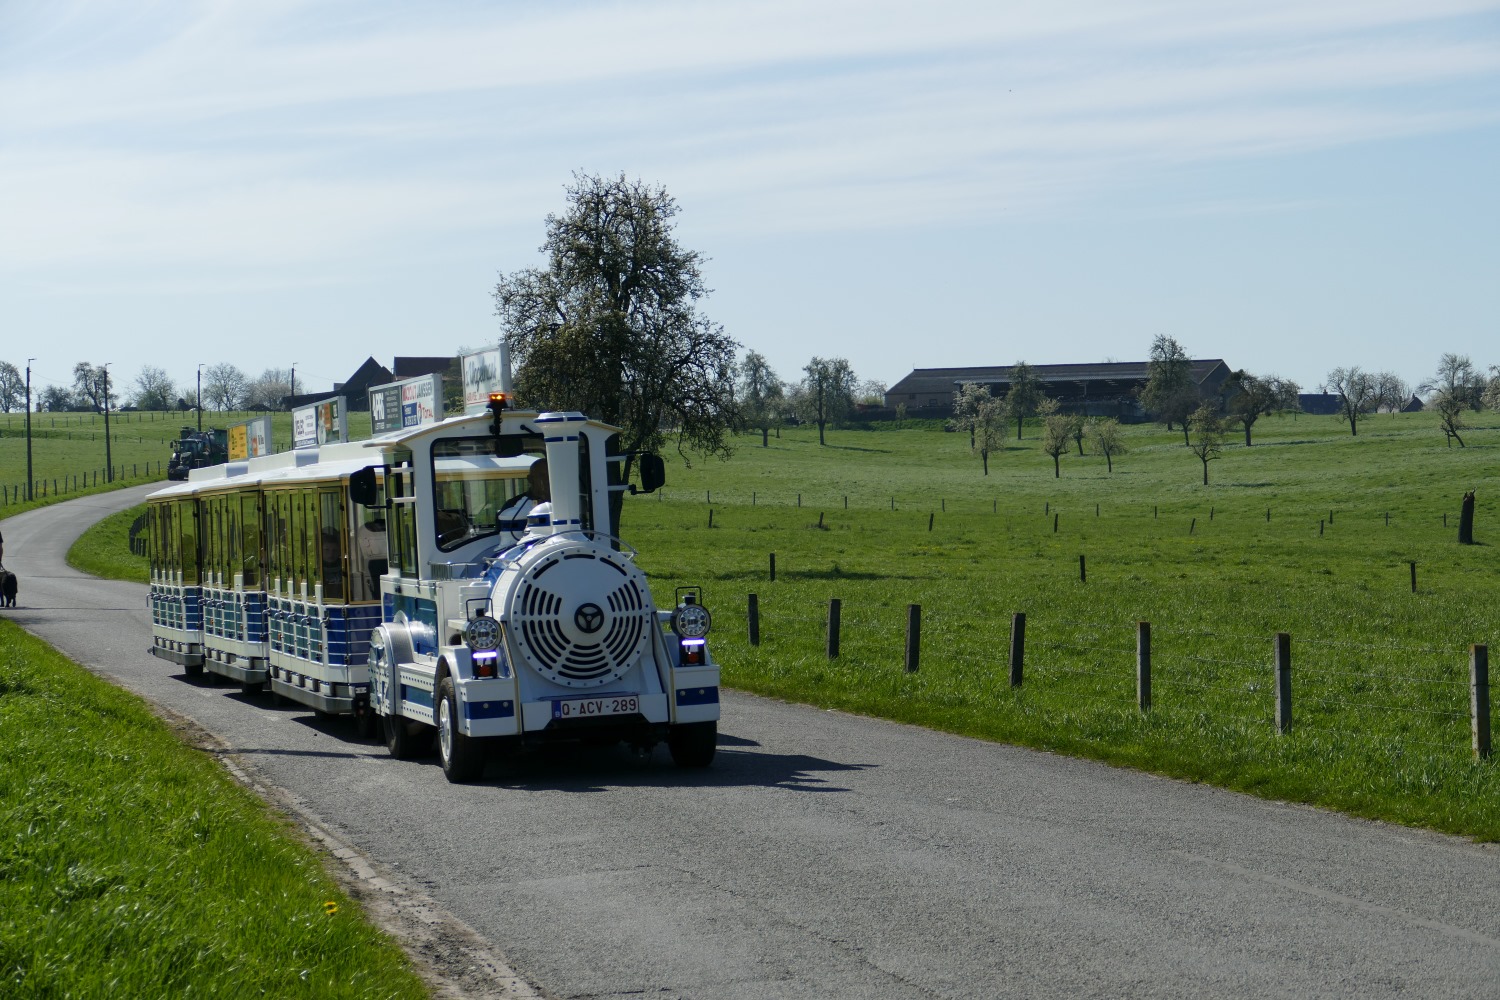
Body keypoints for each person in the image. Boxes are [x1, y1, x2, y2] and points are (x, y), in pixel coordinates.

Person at [496, 458, 549, 544]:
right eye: (542, 476)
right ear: (530, 479)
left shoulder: (566, 503)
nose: (547, 480)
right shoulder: (512, 506)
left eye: (550, 475)